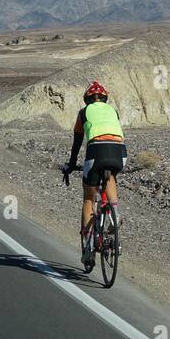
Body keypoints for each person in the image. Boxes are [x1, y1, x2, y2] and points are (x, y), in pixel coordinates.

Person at [63, 80, 126, 271]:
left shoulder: (84, 113)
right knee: (111, 176)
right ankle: (114, 216)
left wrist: (71, 165)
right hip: (119, 152)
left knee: (89, 198)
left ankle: (88, 246)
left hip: (96, 152)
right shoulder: (112, 111)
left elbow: (77, 142)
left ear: (87, 100)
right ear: (105, 99)